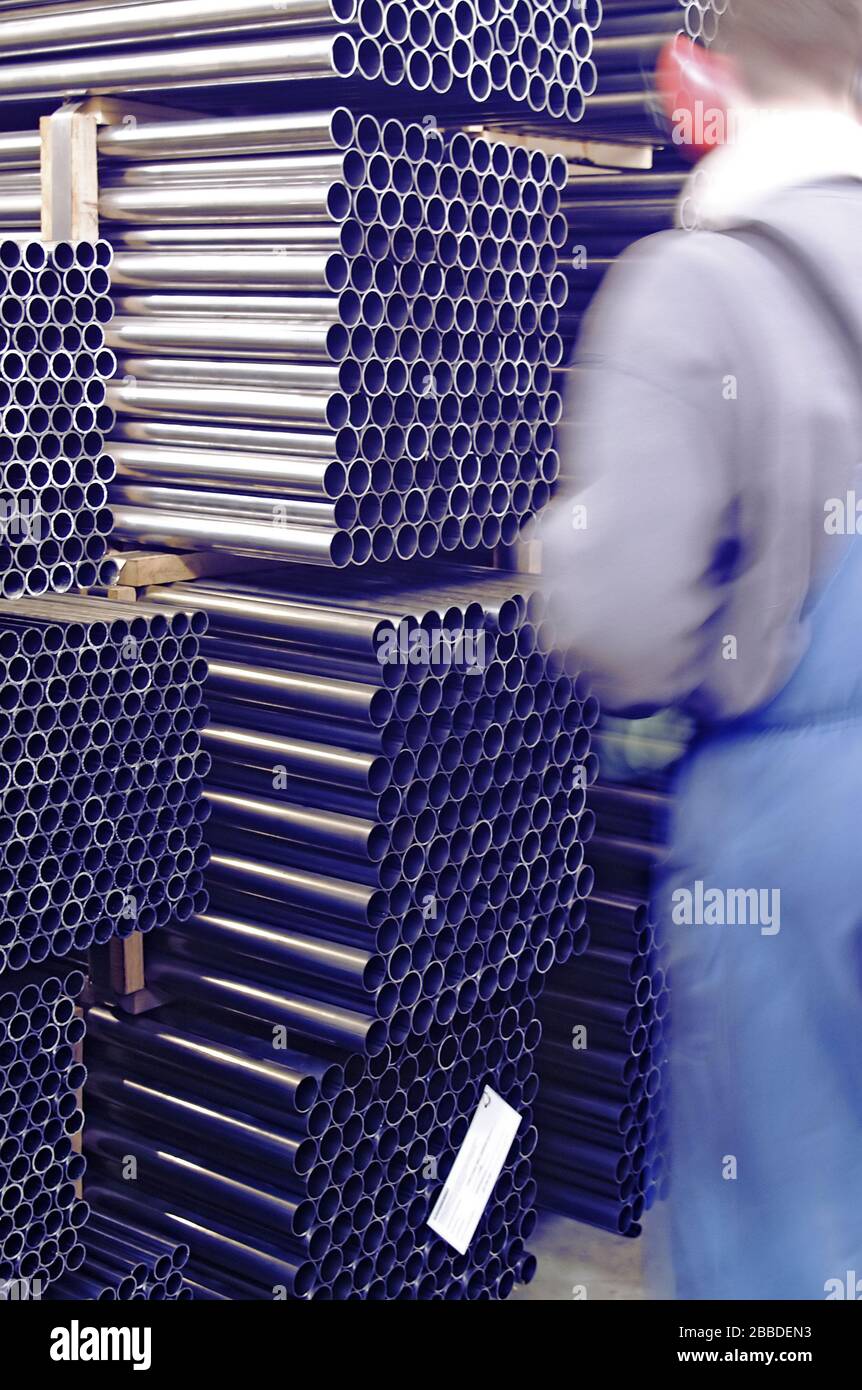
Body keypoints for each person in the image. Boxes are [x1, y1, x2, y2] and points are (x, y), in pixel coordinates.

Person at [540, 0, 862, 1300]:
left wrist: (555, 557)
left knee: (775, 1226)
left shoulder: (703, 282)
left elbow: (619, 620)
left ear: (705, 73)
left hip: (790, 832)